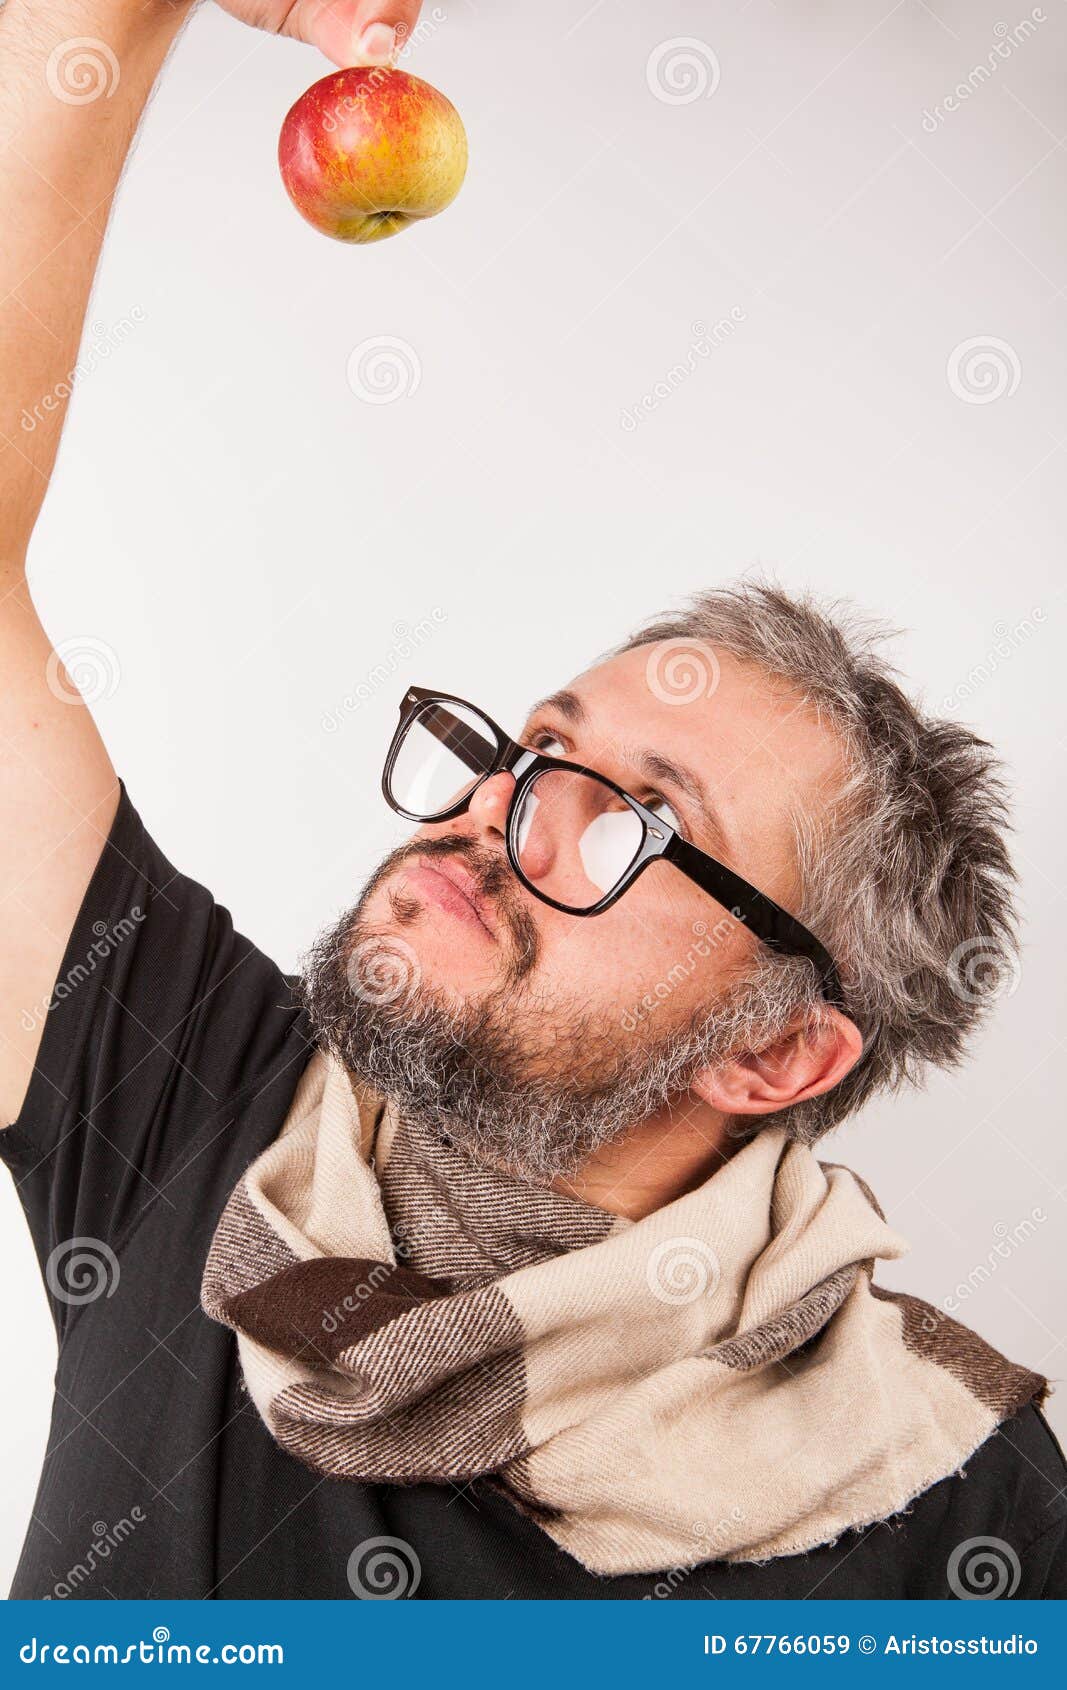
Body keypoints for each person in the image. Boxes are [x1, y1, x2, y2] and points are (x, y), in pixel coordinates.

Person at [1, 0, 1064, 1602]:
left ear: (781, 1046)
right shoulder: (193, 1104)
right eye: (530, 748)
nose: (499, 812)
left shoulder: (958, 1511)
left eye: (637, 816)